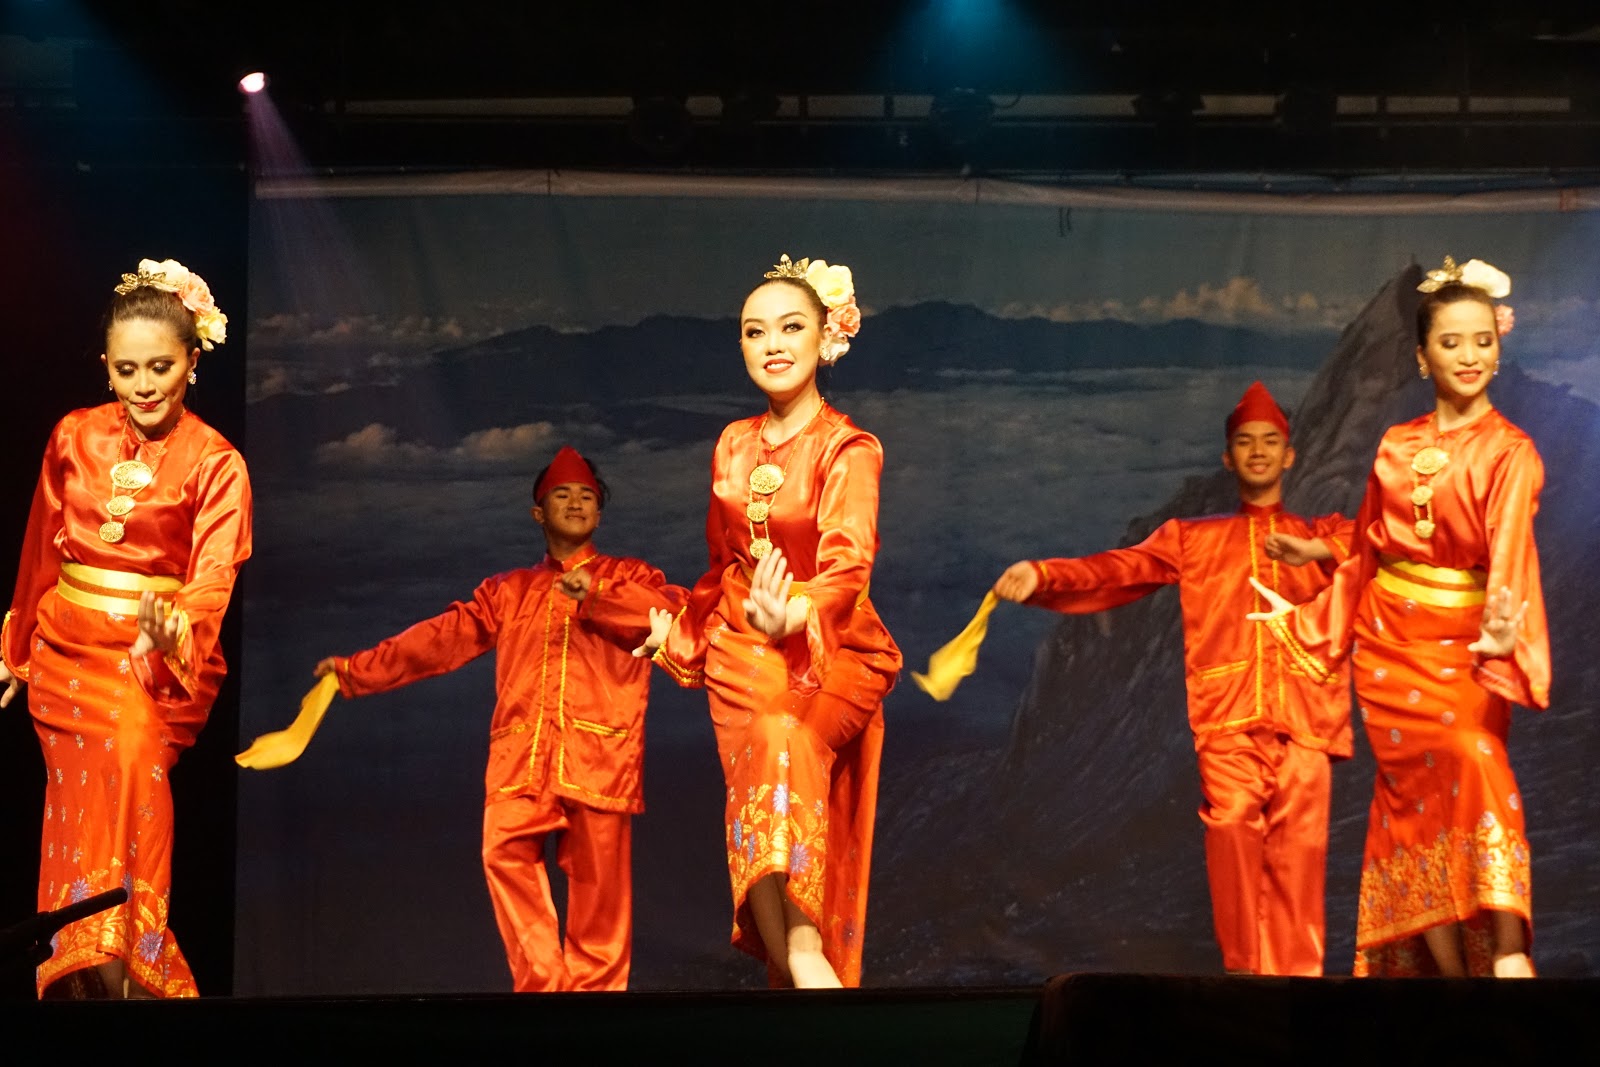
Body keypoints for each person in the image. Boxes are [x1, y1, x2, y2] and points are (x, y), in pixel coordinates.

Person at [989, 381, 1354, 976]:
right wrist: (1044, 575)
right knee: (1232, 827)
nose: (1258, 452)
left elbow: (1386, 548)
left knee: (1299, 852)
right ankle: (1246, 978)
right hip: (1229, 717)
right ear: (1227, 458)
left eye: (1270, 441)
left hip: (1305, 716)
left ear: (1290, 454)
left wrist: (1318, 550)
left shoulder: (1328, 535)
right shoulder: (1197, 538)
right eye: (1245, 442)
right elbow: (1121, 567)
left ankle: (1299, 989)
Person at [1250, 257, 1547, 978]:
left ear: (1500, 346)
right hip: (1388, 646)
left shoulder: (1511, 452)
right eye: (1451, 343)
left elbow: (1509, 546)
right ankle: (1450, 973)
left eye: (1482, 340)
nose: (1469, 355)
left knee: (1477, 760)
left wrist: (1504, 633)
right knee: (1409, 805)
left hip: (1464, 648)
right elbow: (1375, 541)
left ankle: (1507, 948)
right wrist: (1320, 552)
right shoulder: (1395, 445)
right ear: (1422, 357)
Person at [310, 448, 684, 992]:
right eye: (563, 495)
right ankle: (544, 989)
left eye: (587, 497)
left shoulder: (629, 575)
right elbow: (437, 640)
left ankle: (598, 1009)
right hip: (521, 757)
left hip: (600, 756)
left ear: (600, 514)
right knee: (503, 853)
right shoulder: (508, 592)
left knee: (600, 891)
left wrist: (599, 594)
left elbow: (671, 611)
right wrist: (355, 671)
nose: (577, 503)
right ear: (538, 513)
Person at [630, 255, 901, 988]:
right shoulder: (731, 445)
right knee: (760, 799)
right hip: (739, 657)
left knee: (785, 741)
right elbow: (721, 570)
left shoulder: (849, 448)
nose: (773, 343)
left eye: (791, 327)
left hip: (830, 649)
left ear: (825, 339)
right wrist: (679, 637)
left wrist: (796, 611)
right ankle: (794, 975)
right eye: (756, 331)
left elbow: (848, 569)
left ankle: (811, 953)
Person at [0, 258, 249, 998]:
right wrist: (15, 650)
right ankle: (88, 975)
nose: (144, 385)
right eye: (128, 367)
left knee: (136, 764)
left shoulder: (216, 462)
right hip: (64, 655)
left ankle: (131, 968)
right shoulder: (74, 437)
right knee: (79, 807)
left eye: (162, 367)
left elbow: (213, 577)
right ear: (107, 366)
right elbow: (41, 543)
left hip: (151, 663)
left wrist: (173, 627)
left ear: (192, 363)